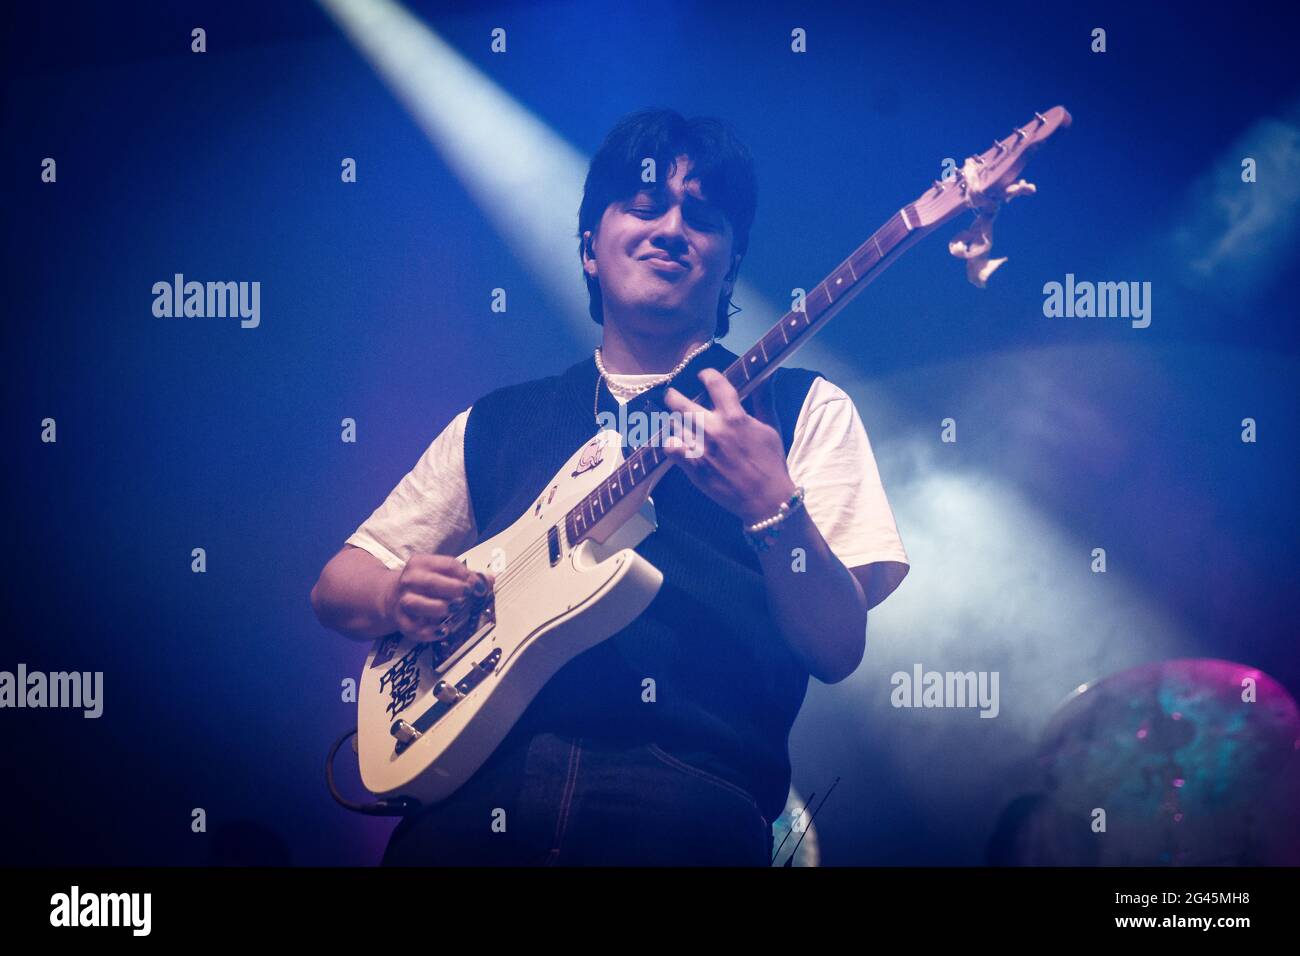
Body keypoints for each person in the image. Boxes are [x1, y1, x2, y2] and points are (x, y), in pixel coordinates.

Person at [310, 108, 909, 866]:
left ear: (730, 261)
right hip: (468, 808)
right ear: (590, 246)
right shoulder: (496, 421)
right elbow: (337, 587)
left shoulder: (800, 408)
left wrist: (772, 507)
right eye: (646, 203)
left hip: (686, 806)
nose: (671, 228)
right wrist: (395, 593)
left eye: (703, 215)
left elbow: (836, 646)